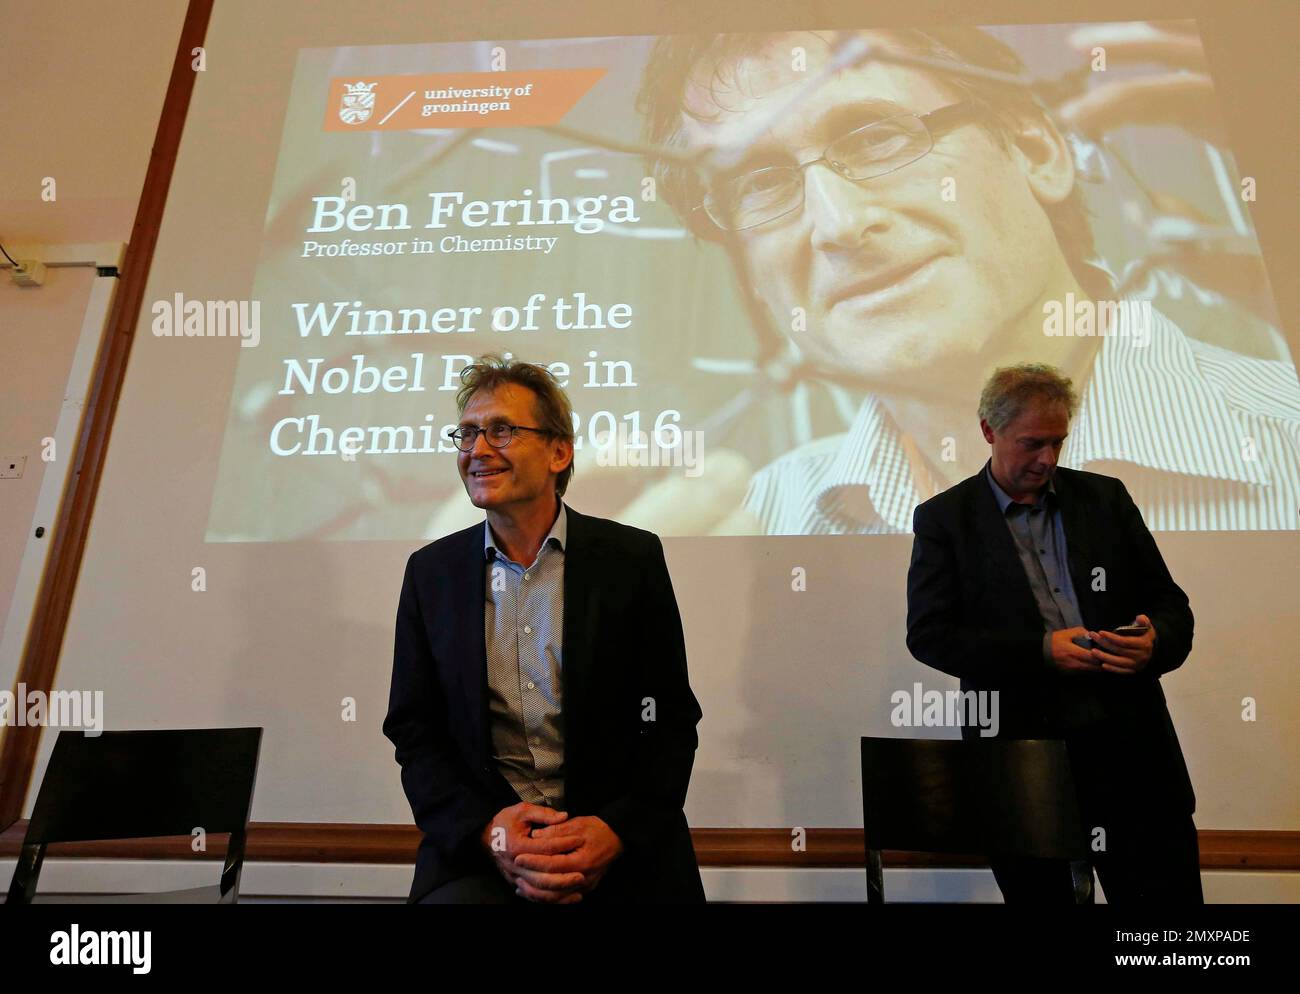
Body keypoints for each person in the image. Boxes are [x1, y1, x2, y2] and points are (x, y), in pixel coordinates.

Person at [636, 26, 1300, 534]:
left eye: (876, 139)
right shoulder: (742, 531)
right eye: (761, 183)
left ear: (1037, 150)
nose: (837, 225)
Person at [383, 354, 705, 903]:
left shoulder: (631, 559)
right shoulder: (430, 573)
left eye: (502, 431)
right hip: (482, 851)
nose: (477, 450)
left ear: (560, 451)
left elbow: (671, 720)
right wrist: (489, 832)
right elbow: (415, 731)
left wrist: (615, 830)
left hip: (617, 844)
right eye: (466, 434)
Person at [906, 363, 1202, 903]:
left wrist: (1154, 639)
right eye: (1032, 443)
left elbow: (1170, 604)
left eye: (1058, 442)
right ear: (988, 431)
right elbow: (930, 635)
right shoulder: (945, 520)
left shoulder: (1105, 500)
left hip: (1133, 757)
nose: (1047, 459)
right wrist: (1041, 653)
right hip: (1023, 764)